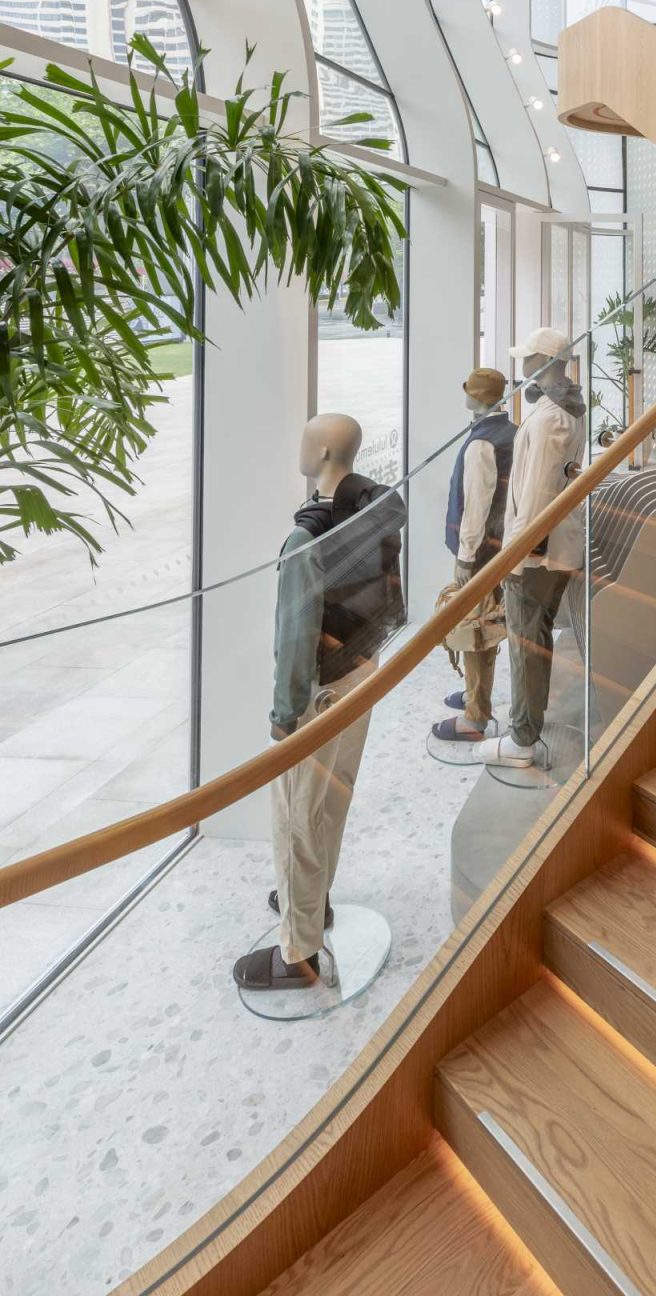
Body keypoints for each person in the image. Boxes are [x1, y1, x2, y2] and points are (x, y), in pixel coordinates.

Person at [233, 414, 406, 995]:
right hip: (362, 670)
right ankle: (312, 899)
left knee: (296, 814)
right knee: (333, 793)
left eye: (307, 437)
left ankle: (297, 955)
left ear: (326, 449)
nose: (300, 445)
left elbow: (295, 635)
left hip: (320, 688)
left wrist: (285, 717)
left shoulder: (307, 538)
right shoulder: (376, 505)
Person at [475, 327, 586, 770]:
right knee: (534, 639)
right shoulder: (567, 409)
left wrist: (517, 557)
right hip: (557, 547)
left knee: (526, 642)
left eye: (525, 358)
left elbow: (537, 497)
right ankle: (526, 725)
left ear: (542, 363)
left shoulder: (550, 419)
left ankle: (522, 737)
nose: (519, 365)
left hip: (538, 554)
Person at [431, 368, 516, 747]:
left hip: (480, 551)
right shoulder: (510, 432)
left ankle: (475, 717)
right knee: (485, 624)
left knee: (475, 628)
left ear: (476, 398)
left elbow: (476, 506)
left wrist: (466, 557)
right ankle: (473, 694)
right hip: (500, 545)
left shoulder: (482, 444)